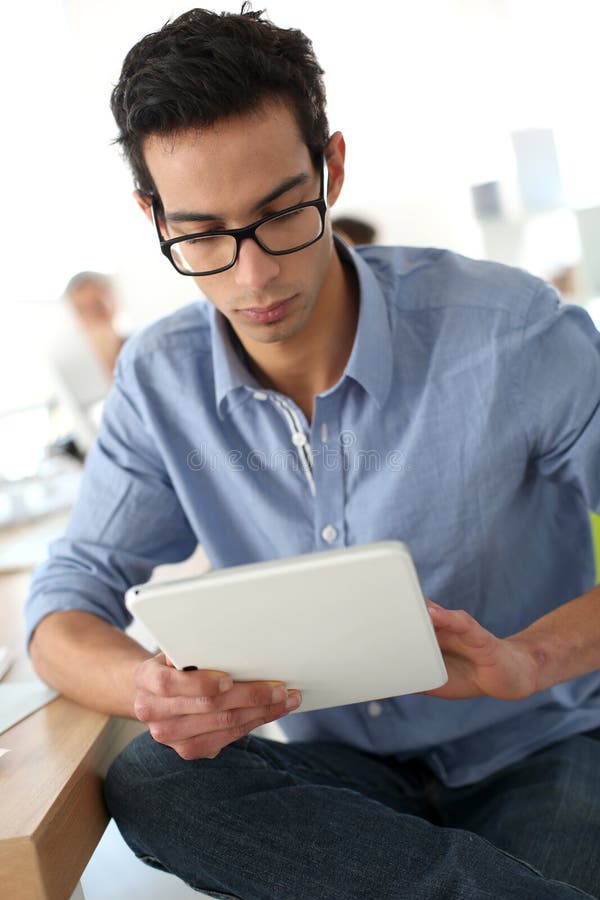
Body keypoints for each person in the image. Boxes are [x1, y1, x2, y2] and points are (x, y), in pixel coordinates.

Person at [25, 7, 600, 900]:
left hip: (540, 745)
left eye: (281, 213)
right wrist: (148, 686)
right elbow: (64, 602)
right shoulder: (160, 379)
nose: (253, 276)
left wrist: (534, 659)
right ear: (152, 216)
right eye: (201, 234)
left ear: (330, 167)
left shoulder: (511, 331)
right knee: (155, 781)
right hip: (346, 775)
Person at [64, 271, 126, 378]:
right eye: (82, 310)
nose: (92, 315)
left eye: (98, 305)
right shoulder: (71, 364)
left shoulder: (139, 348)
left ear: (114, 301)